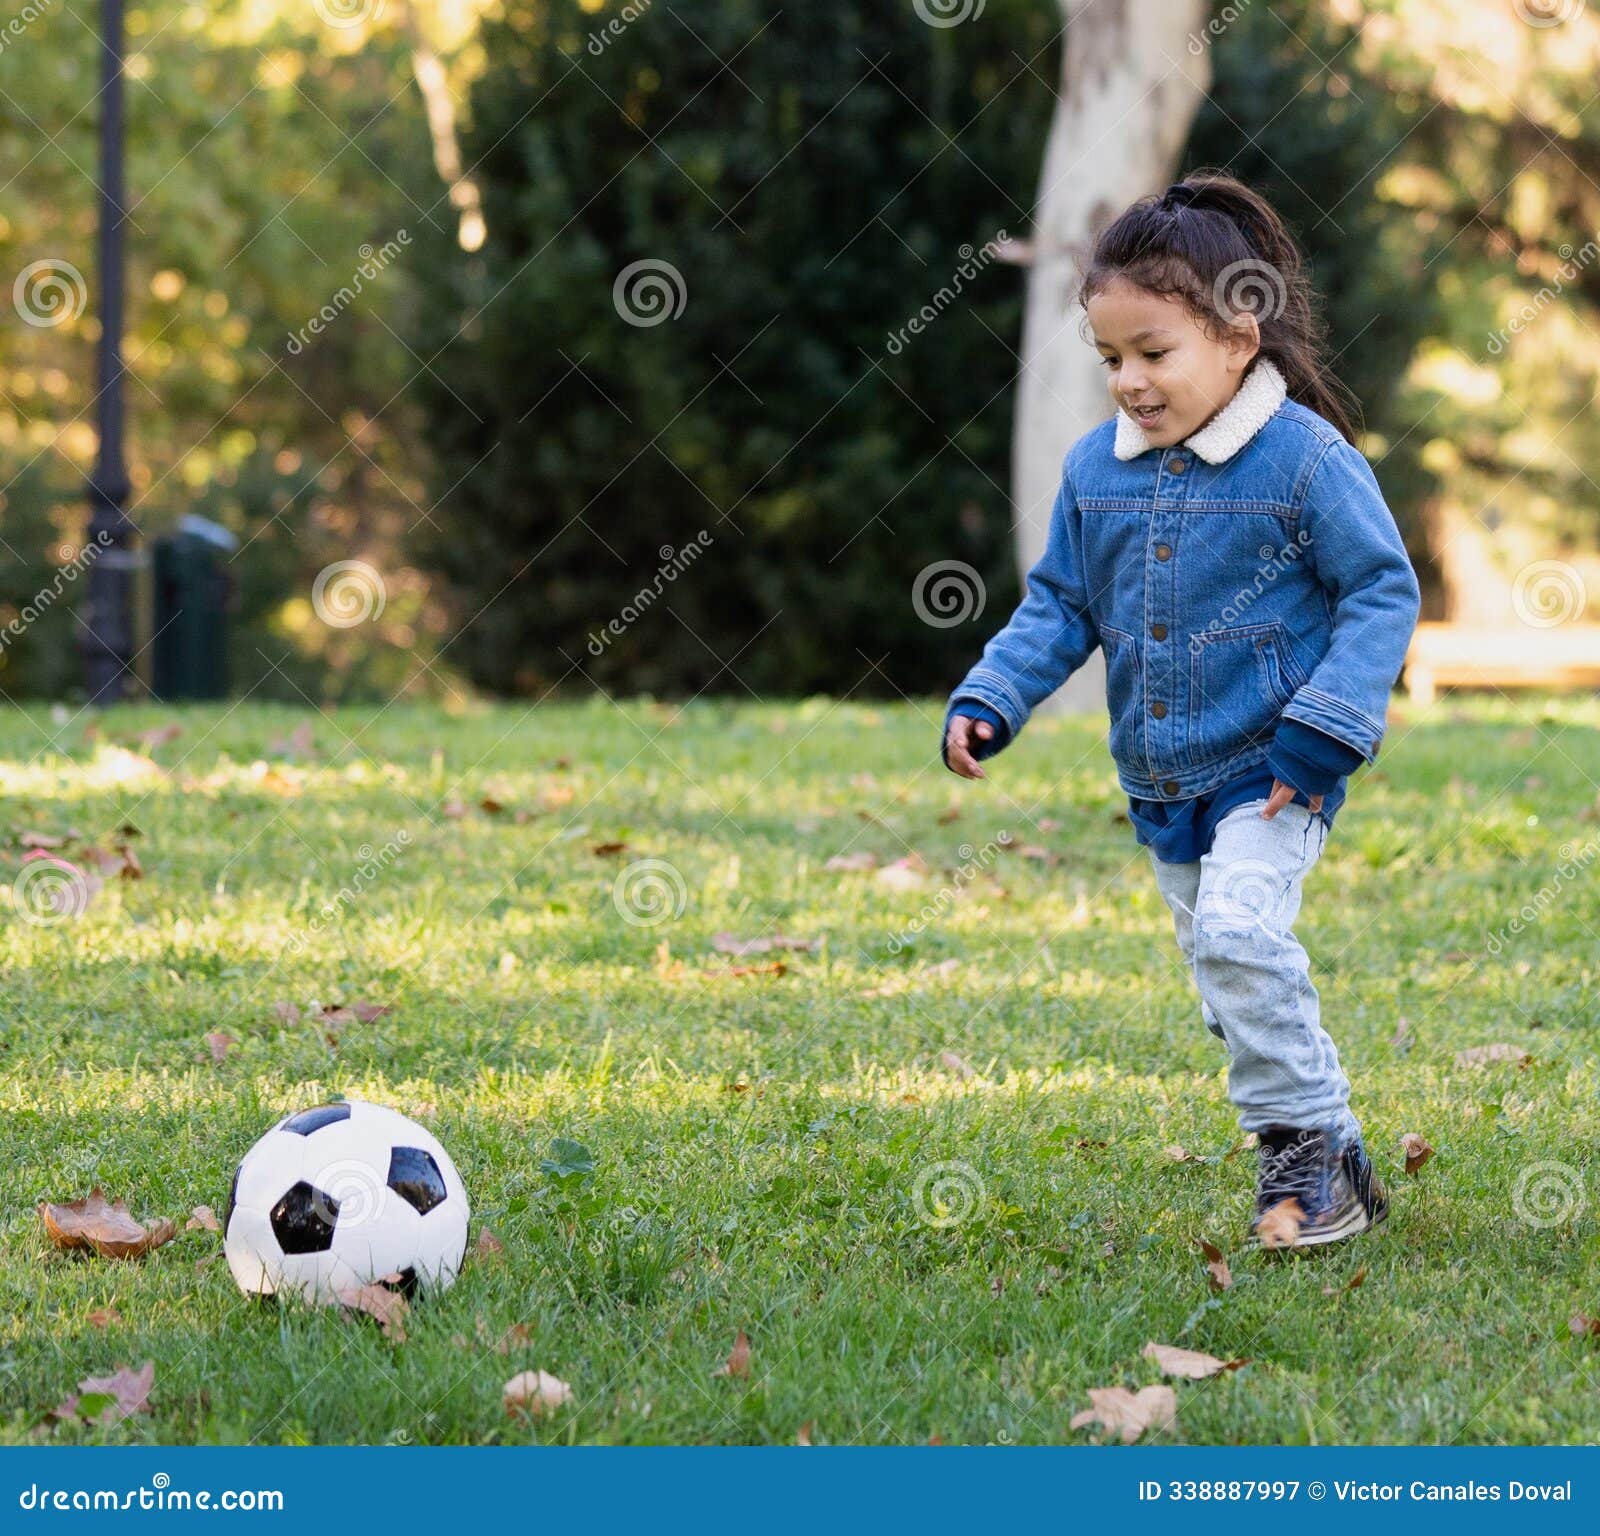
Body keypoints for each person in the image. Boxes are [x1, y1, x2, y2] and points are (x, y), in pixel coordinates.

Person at [942, 170, 1420, 1249]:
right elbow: (1062, 602)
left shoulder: (1302, 459)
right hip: (1162, 783)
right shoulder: (1093, 474)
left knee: (1241, 938)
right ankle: (1338, 1148)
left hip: (1275, 766)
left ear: (1239, 336)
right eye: (1110, 358)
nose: (1129, 382)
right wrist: (993, 694)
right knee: (1222, 976)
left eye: (1154, 354)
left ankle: (1299, 1160)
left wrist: (1326, 726)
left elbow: (1381, 587)